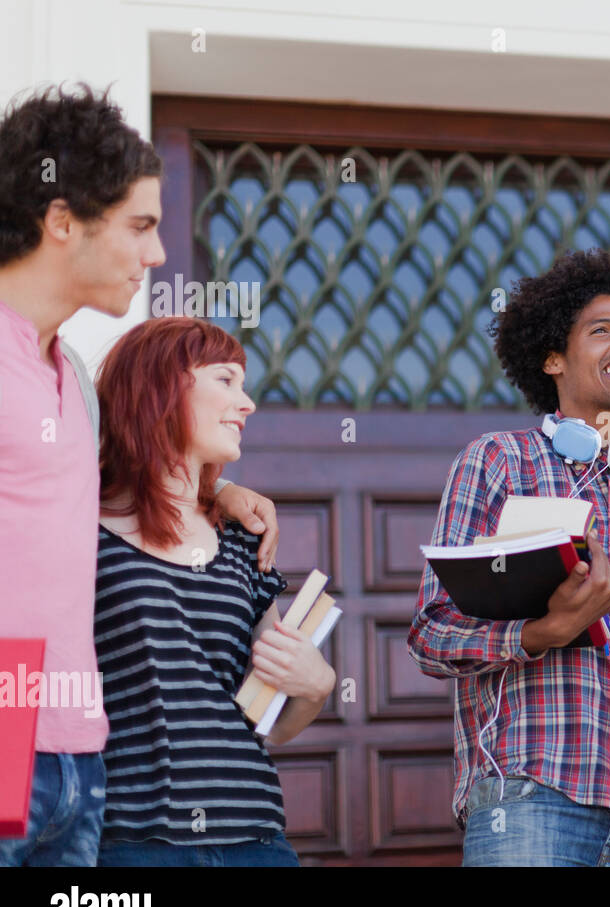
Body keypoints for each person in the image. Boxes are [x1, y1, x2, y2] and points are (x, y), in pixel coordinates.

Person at [0, 85, 279, 867]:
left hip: (76, 758)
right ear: (61, 221)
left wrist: (216, 491)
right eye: (141, 226)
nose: (158, 255)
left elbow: (93, 494)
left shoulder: (73, 379)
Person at [408, 247, 610, 867]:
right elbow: (431, 634)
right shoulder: (498, 461)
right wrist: (542, 632)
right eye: (602, 330)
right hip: (532, 800)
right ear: (552, 358)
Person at [92, 316, 334, 867]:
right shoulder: (81, 528)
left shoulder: (242, 542)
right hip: (133, 843)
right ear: (159, 387)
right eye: (225, 381)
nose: (246, 404)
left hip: (256, 839)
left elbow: (265, 717)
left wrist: (316, 688)